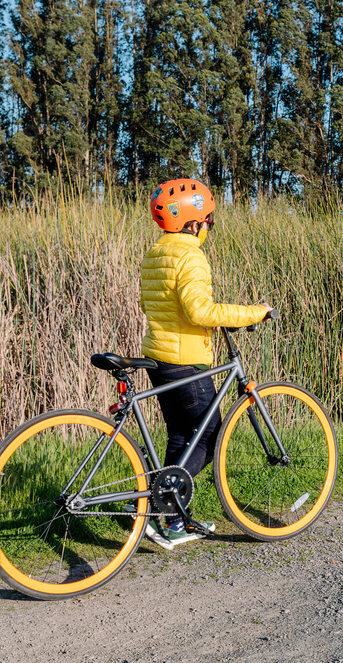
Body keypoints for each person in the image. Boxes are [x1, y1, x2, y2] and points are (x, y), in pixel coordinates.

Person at [140, 178, 272, 549]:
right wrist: (252, 313)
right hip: (188, 362)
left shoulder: (156, 253)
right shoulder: (190, 255)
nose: (208, 229)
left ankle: (170, 523)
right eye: (208, 222)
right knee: (210, 436)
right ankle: (159, 502)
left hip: (159, 358)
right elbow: (199, 309)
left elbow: (155, 305)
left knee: (182, 437)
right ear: (194, 222)